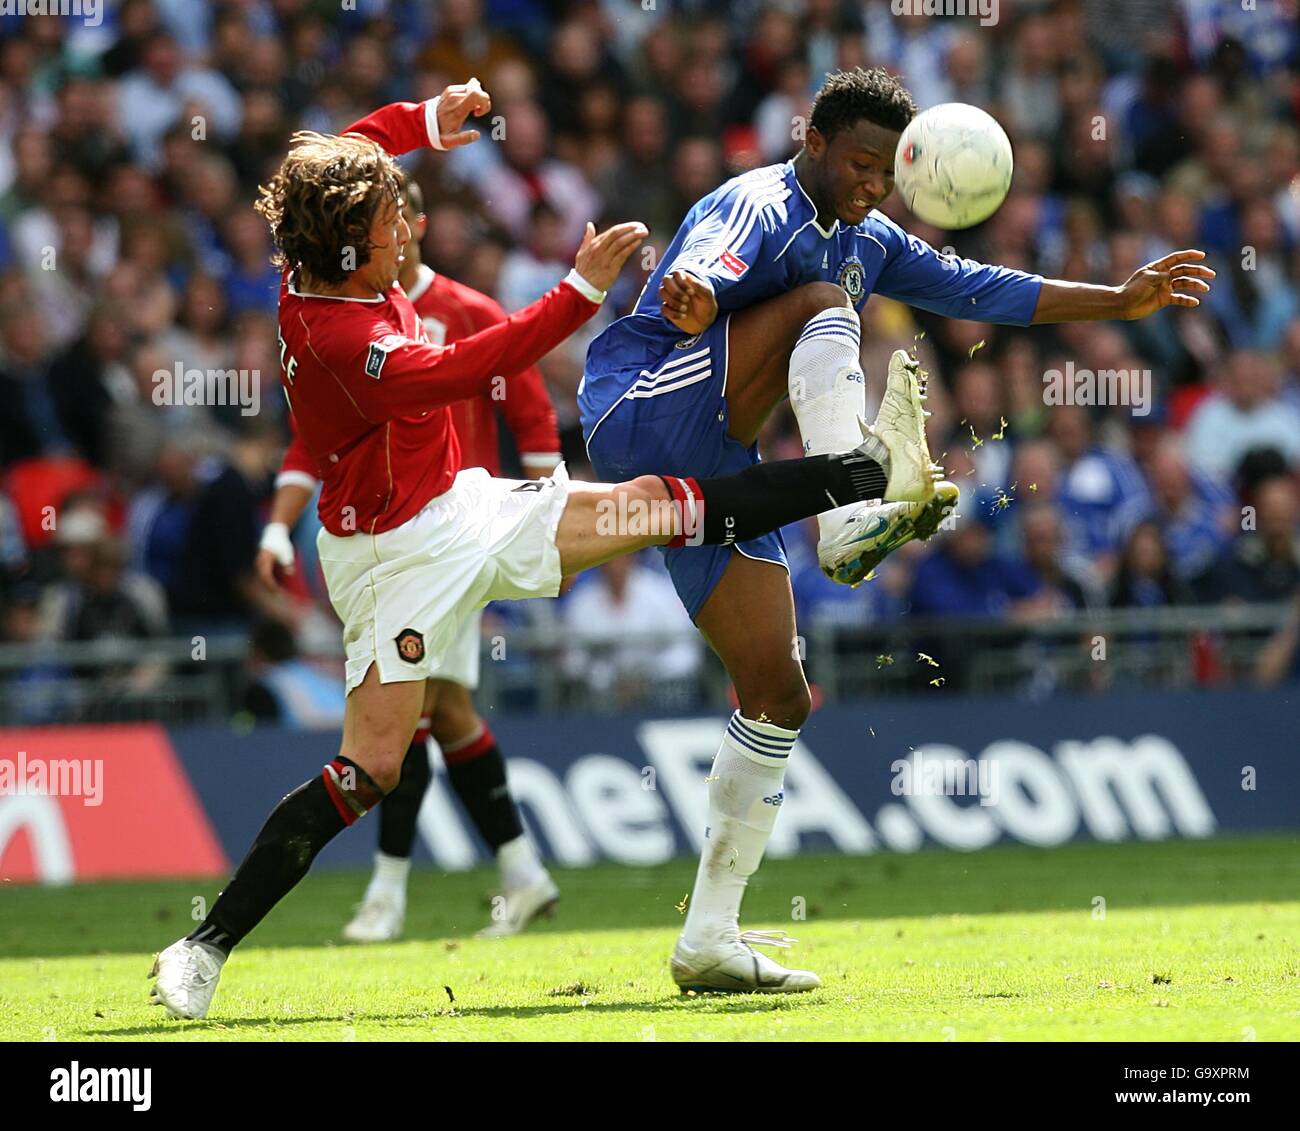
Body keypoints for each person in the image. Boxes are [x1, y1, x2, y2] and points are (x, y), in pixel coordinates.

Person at [149, 80, 938, 1019]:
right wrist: (579, 292)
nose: (408, 225)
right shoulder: (344, 338)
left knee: (655, 506)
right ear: (353, 250)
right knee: (374, 768)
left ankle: (863, 477)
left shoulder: (326, 258)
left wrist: (431, 121)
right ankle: (202, 946)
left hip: (463, 506)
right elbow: (468, 367)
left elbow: (356, 143)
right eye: (390, 221)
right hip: (390, 556)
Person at [579, 66, 1213, 993]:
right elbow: (704, 266)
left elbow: (981, 289)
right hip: (641, 409)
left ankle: (708, 937)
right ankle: (846, 517)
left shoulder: (868, 236)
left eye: (888, 172)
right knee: (826, 306)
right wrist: (697, 295)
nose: (875, 185)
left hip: (715, 470)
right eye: (861, 165)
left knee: (778, 693)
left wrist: (1115, 301)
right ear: (816, 143)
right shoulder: (759, 200)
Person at [254, 179, 563, 943]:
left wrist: (551, 511)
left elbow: (532, 413)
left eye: (395, 218)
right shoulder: (344, 318)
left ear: (414, 224)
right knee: (441, 712)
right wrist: (276, 526)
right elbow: (310, 440)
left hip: (452, 536)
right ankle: (521, 872)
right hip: (393, 540)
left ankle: (390, 894)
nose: (390, 232)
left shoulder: (469, 310)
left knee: (414, 718)